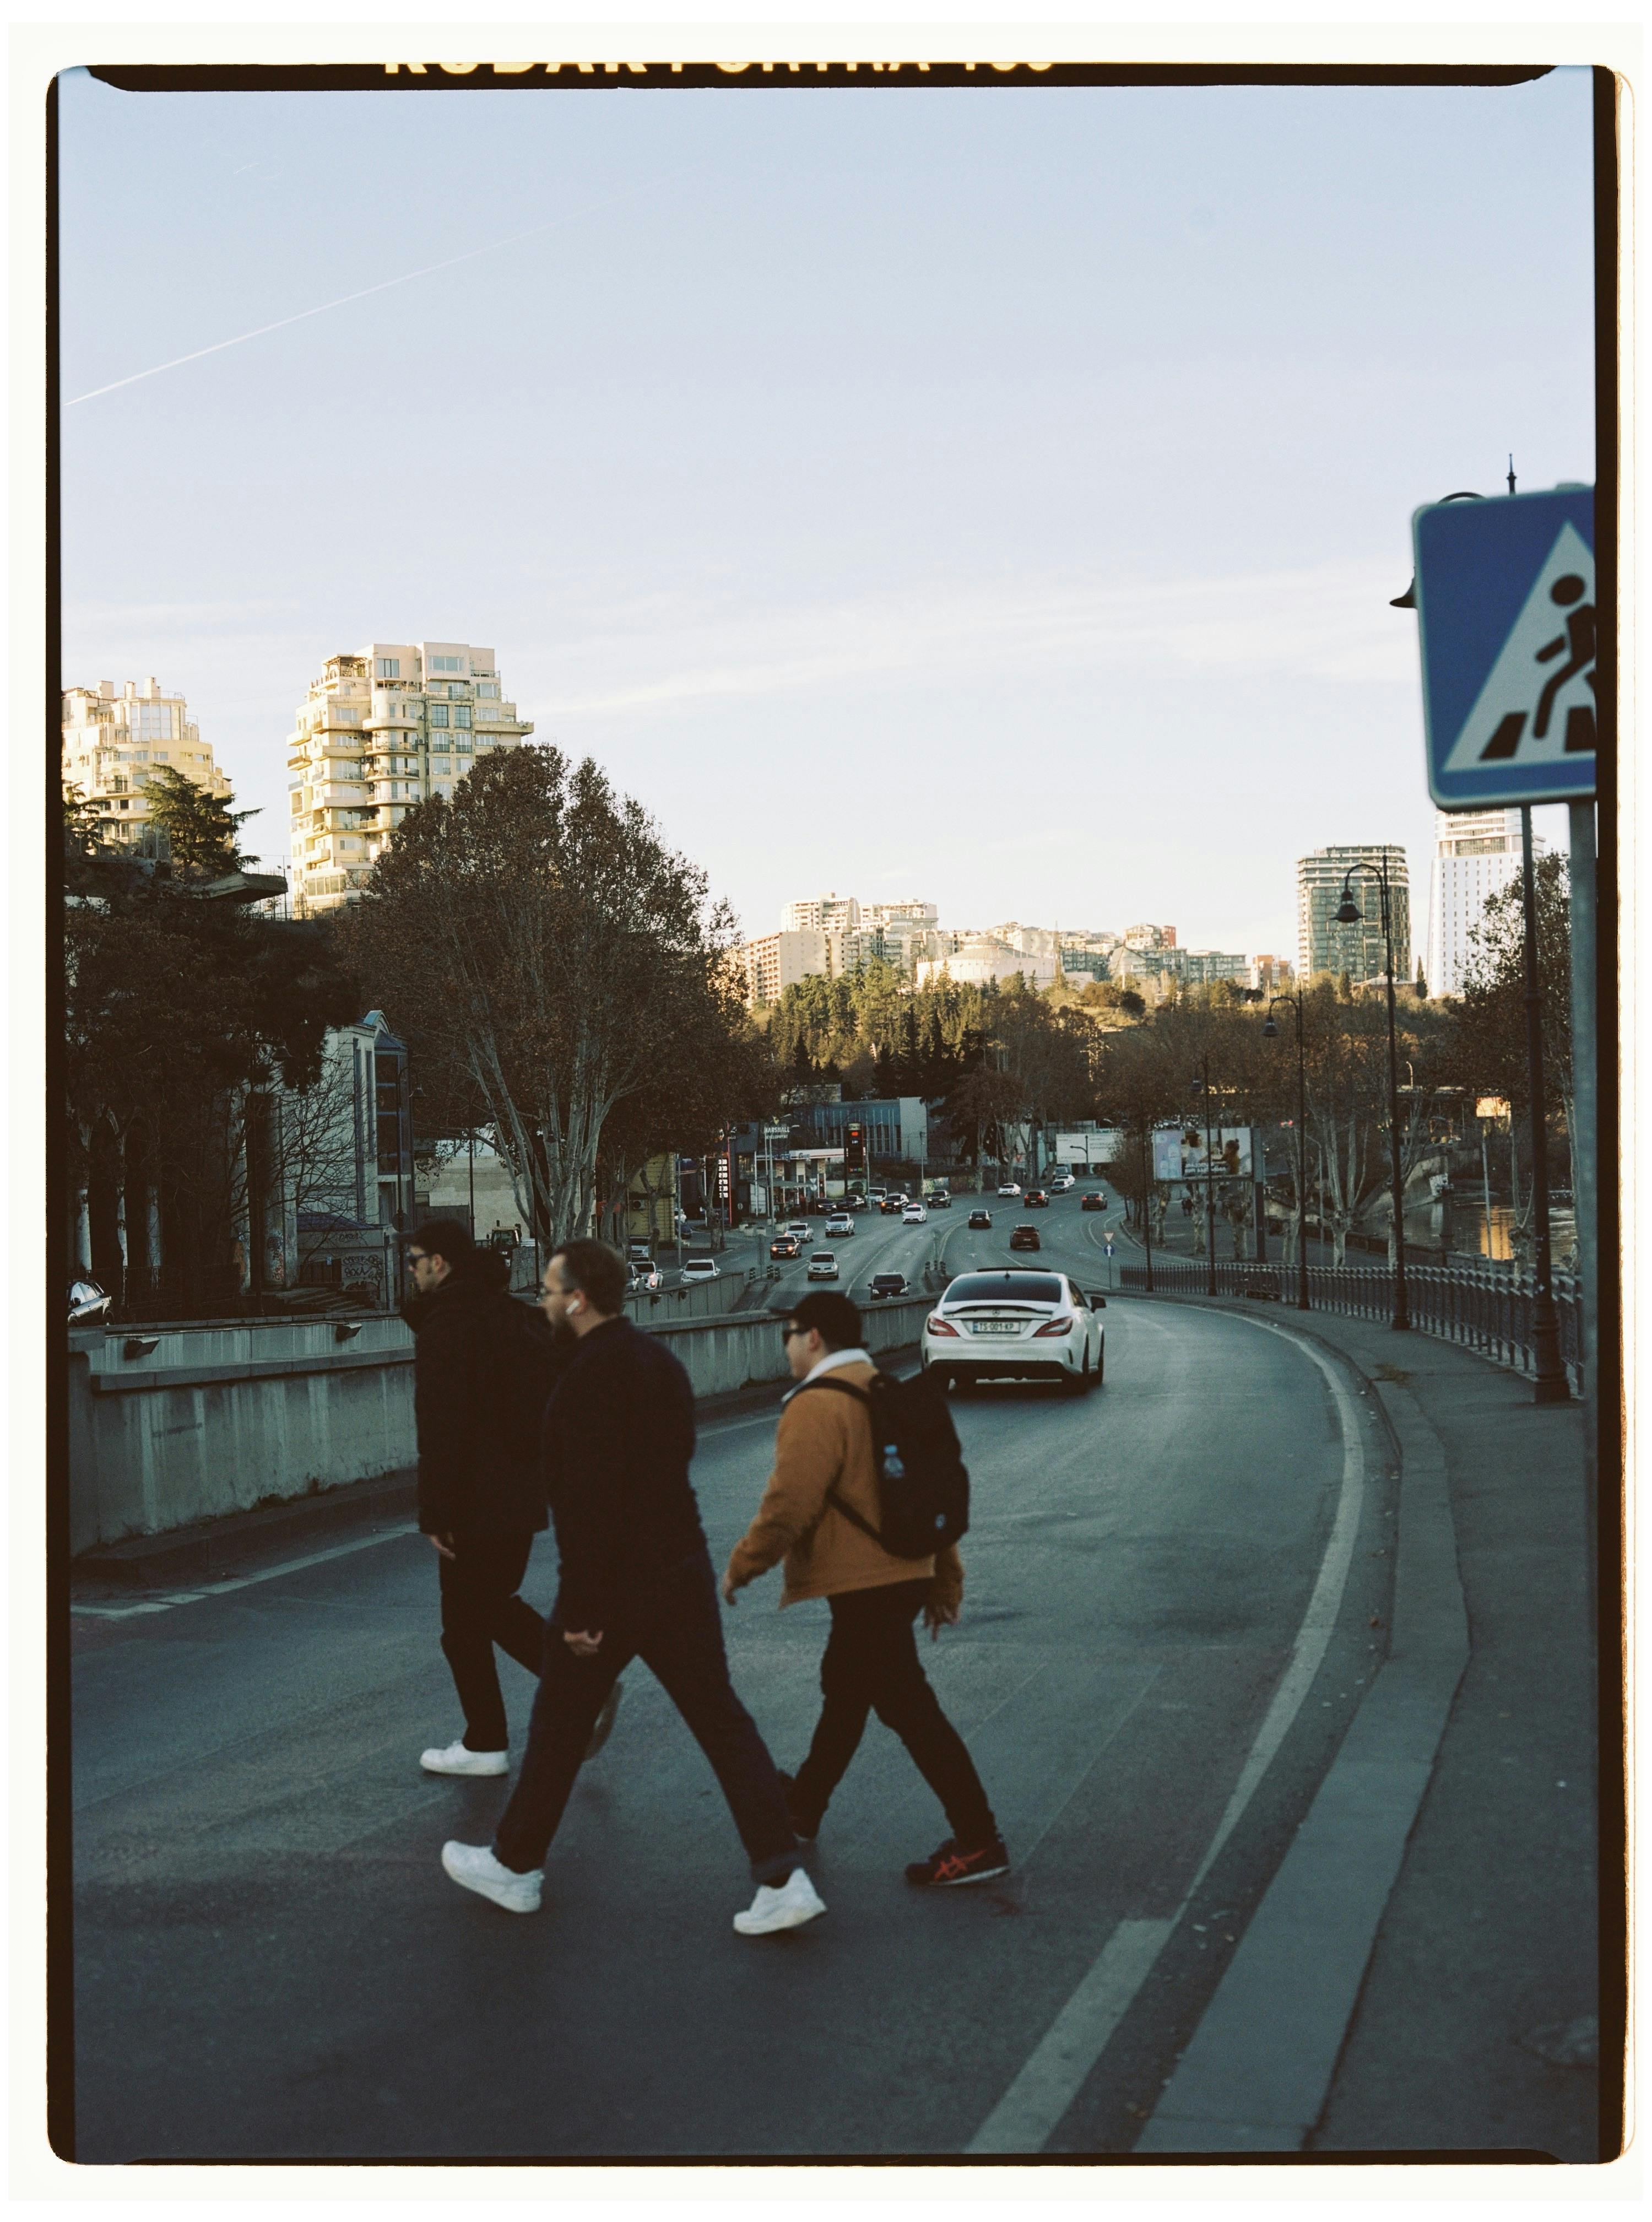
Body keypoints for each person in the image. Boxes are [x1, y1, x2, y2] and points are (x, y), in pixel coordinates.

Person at [440, 1238, 824, 1936]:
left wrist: (581, 1610)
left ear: (578, 1299)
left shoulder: (582, 1383)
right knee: (720, 1720)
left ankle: (516, 1864)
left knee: (558, 1723)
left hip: (615, 1583)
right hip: (679, 1568)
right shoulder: (658, 1363)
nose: (541, 1302)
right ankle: (781, 1874)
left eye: (550, 1291)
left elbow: (588, 1506)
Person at [721, 1290, 1008, 1888]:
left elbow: (788, 1504)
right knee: (846, 1691)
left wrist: (742, 1565)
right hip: (900, 1576)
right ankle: (804, 1806)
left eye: (789, 1333)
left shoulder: (817, 1403)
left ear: (813, 1338)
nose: (786, 1345)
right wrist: (943, 1579)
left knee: (907, 1708)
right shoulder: (885, 1390)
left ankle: (978, 1839)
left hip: (866, 1584)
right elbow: (926, 1497)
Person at [404, 1221, 619, 1778]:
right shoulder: (514, 1317)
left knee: (467, 1622)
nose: (411, 1270)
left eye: (415, 1259)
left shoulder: (448, 1326)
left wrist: (436, 1512)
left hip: (473, 1502)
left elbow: (441, 1426)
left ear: (440, 1263)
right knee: (488, 1609)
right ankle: (498, 1732)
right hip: (519, 1494)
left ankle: (493, 1737)